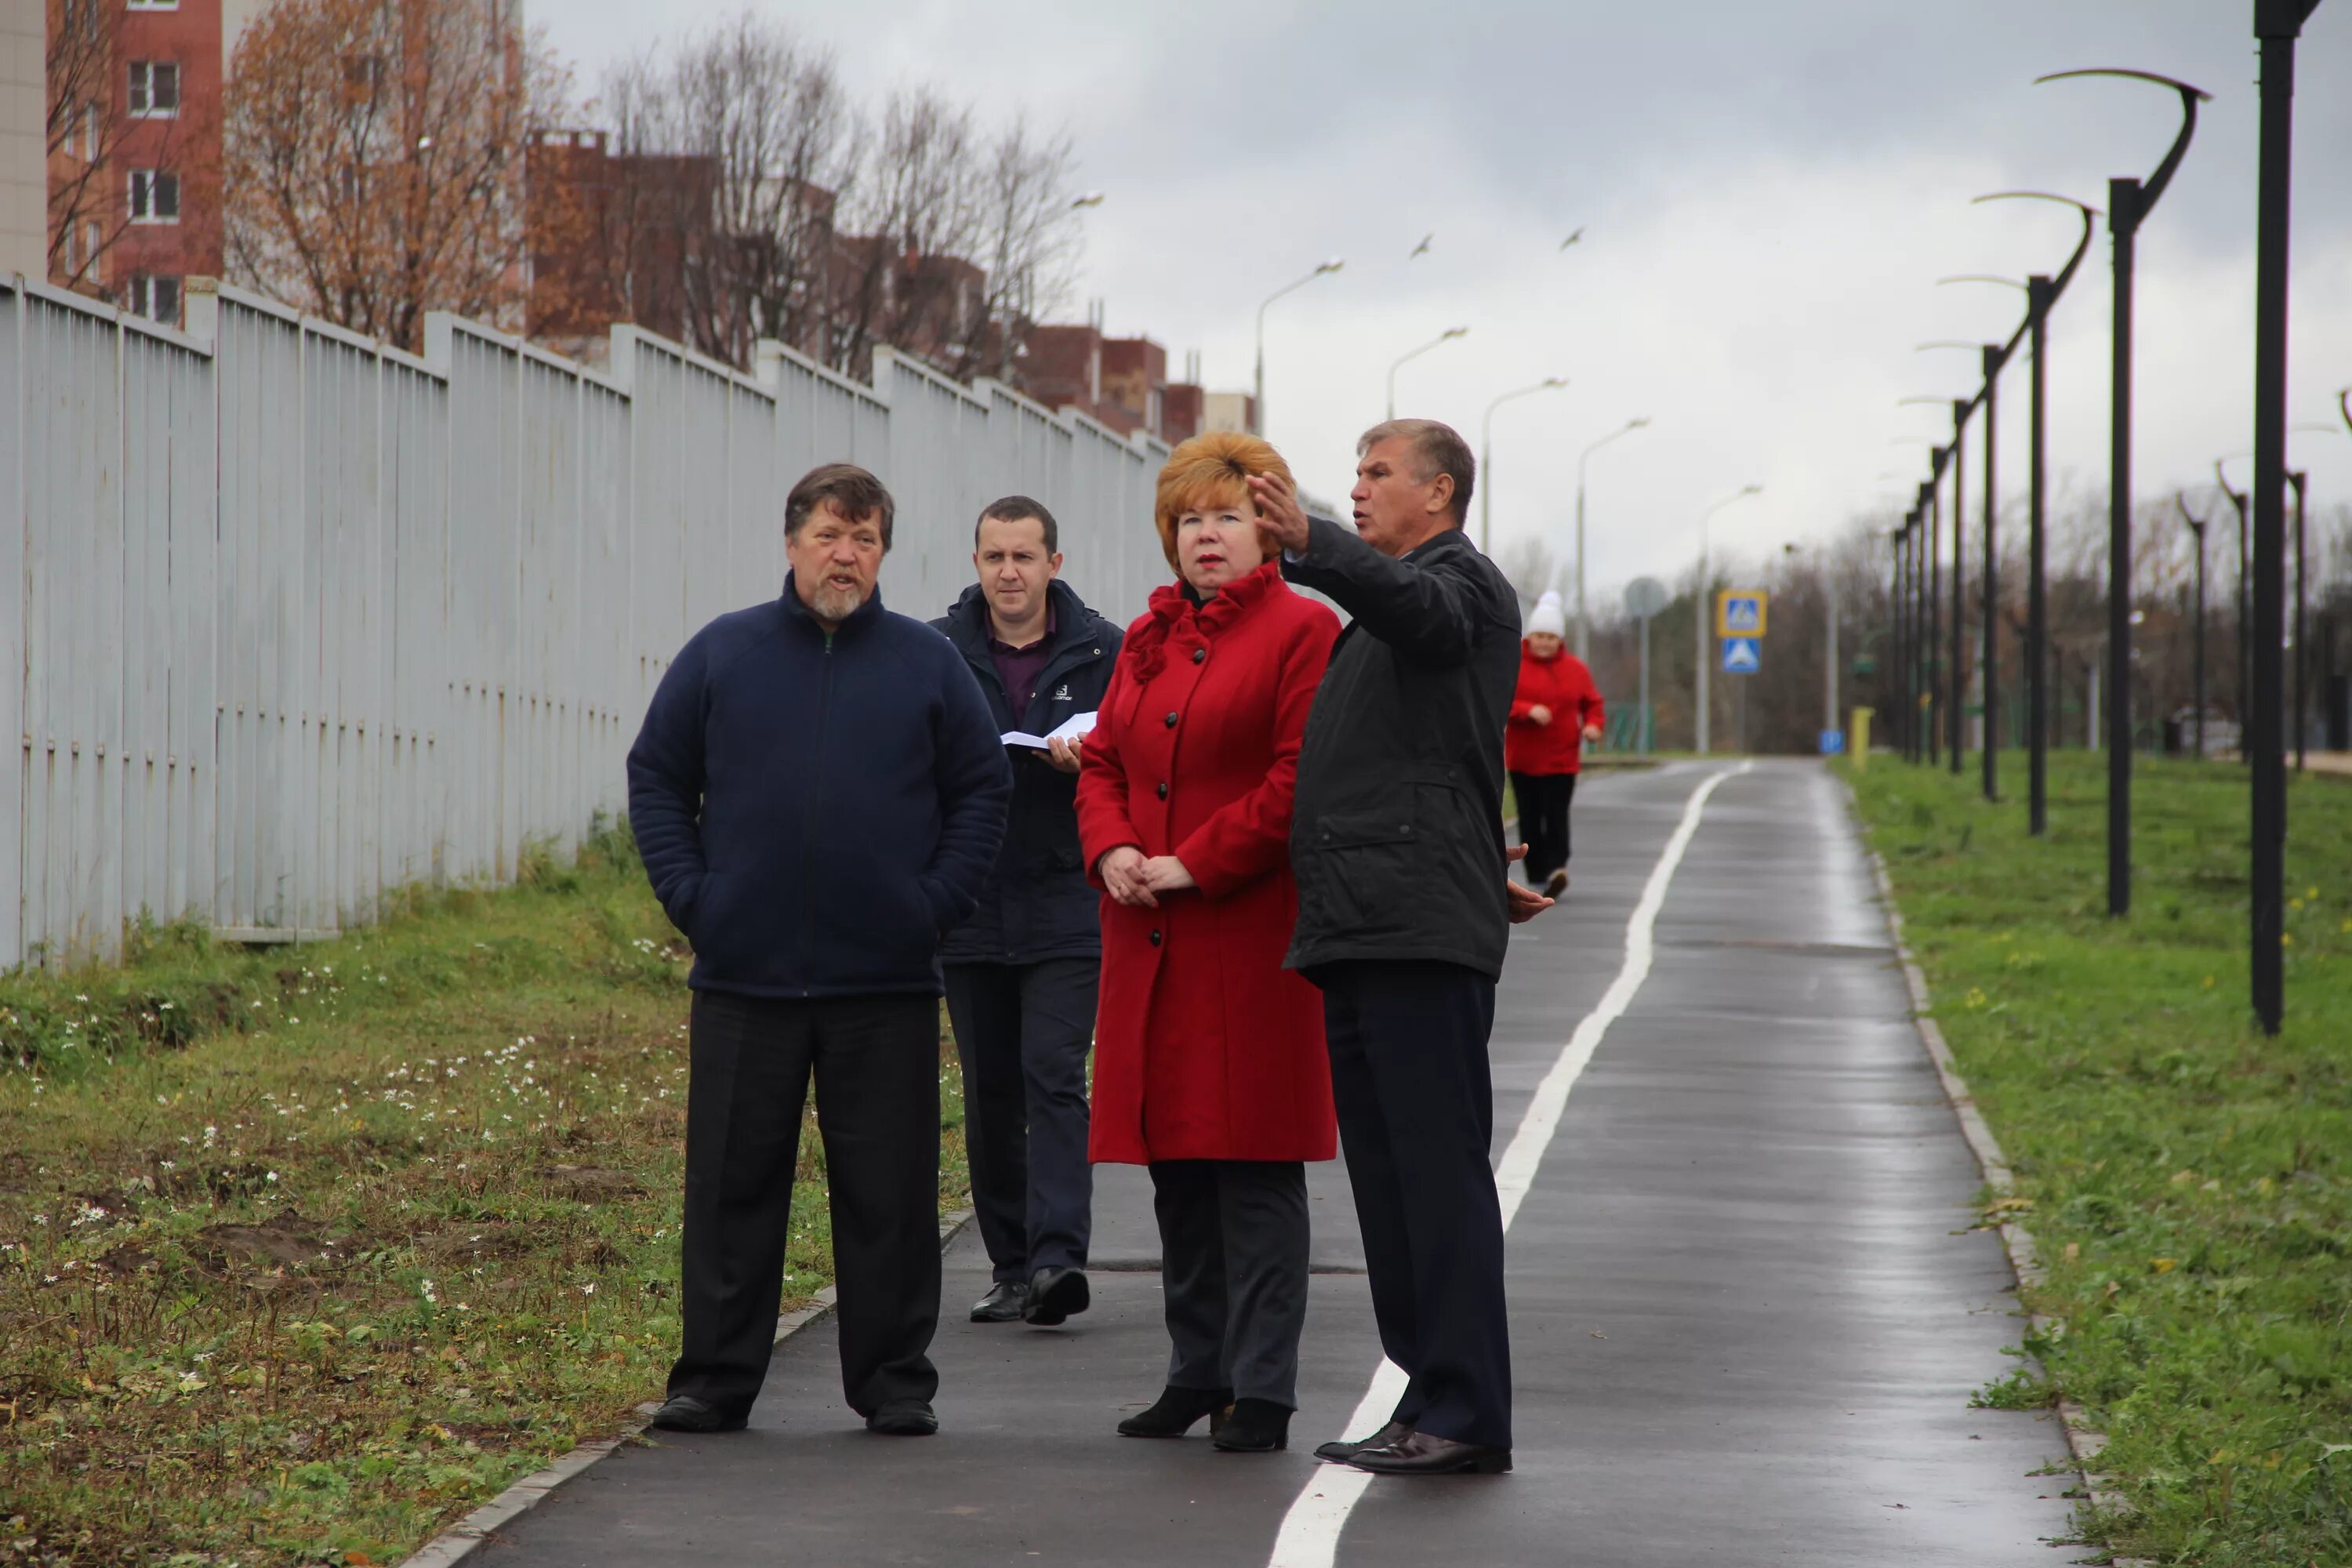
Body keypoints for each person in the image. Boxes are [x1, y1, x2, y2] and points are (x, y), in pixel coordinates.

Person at [626, 463, 1012, 1439]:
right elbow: (658, 778)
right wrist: (695, 898)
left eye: (867, 538)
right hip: (744, 975)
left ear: (886, 550)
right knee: (730, 1184)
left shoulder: (928, 664)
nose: (848, 555)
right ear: (793, 541)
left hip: (882, 977)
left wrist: (932, 904)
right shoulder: (723, 653)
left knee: (888, 1191)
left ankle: (892, 1381)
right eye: (830, 536)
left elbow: (982, 791)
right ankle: (713, 1380)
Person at [1248, 418, 1550, 1479]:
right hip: (1370, 921)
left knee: (1434, 1174)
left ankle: (1465, 1408)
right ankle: (1428, 1392)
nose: (1361, 489)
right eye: (1356, 475)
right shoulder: (1383, 609)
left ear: (1441, 492)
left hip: (1414, 930)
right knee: (1387, 1181)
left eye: (1379, 475)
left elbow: (1423, 620)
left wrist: (1316, 543)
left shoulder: (1459, 584)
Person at [1076, 431, 1341, 1455]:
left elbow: (1297, 778)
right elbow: (1101, 758)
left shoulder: (1301, 631)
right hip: (1147, 940)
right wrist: (1112, 850)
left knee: (1255, 1167)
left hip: (1246, 939)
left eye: (1227, 516)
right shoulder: (1147, 636)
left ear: (1267, 529)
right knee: (1176, 1168)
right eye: (1190, 519)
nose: (1207, 536)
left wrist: (1192, 861)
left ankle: (1261, 1390)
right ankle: (1198, 1371)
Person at [932, 497, 1123, 1328]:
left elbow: (1142, 749)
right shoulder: (935, 650)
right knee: (990, 1090)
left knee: (1054, 1073)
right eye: (993, 556)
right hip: (968, 901)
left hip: (1063, 896)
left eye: (1024, 556)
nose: (1008, 571)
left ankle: (1057, 1260)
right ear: (975, 562)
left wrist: (1094, 756)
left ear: (1055, 560)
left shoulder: (1105, 652)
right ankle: (1009, 1265)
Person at [1507, 590, 1606, 898]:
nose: (1545, 642)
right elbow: (1499, 702)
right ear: (1530, 636)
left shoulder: (1575, 670)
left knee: (1557, 814)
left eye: (1551, 637)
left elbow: (1592, 703)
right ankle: (1537, 874)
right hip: (1524, 759)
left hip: (1562, 759)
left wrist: (1592, 726)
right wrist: (1526, 711)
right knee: (1530, 817)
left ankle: (1557, 868)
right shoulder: (1513, 665)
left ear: (1560, 639)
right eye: (1540, 636)